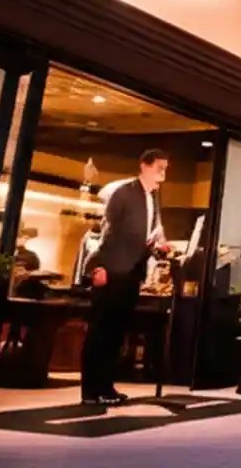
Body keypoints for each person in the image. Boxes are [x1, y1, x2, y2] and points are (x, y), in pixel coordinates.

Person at [80, 149, 170, 405]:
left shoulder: (153, 196)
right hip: (113, 269)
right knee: (100, 332)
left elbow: (145, 235)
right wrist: (99, 266)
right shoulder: (124, 193)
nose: (163, 174)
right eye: (159, 168)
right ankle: (90, 392)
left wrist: (158, 247)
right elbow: (108, 231)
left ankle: (106, 387)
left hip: (133, 272)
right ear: (144, 166)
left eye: (165, 169)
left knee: (116, 333)